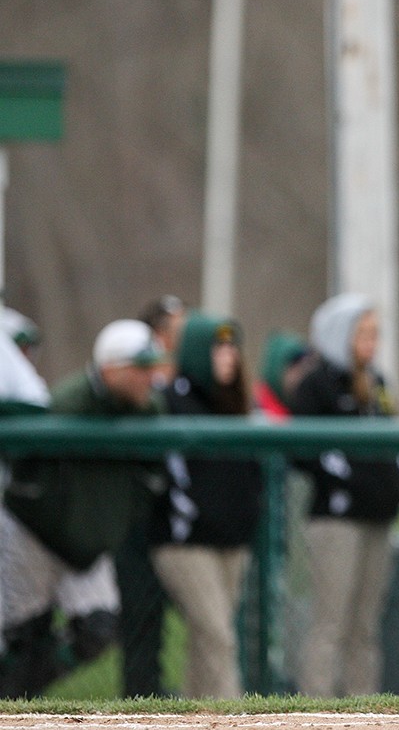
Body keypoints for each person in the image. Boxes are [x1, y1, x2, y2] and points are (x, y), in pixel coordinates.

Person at [0, 319, 166, 697]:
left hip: (87, 547)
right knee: (21, 640)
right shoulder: (68, 404)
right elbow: (26, 482)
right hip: (34, 537)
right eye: (140, 368)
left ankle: (18, 698)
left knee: (99, 630)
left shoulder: (150, 411)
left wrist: (108, 525)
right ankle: (14, 703)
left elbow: (148, 484)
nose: (150, 377)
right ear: (111, 369)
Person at [288, 292, 399, 697]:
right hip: (335, 521)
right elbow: (302, 453)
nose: (371, 343)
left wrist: (398, 483)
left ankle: (364, 706)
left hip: (378, 517)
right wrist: (345, 479)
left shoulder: (377, 383)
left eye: (375, 334)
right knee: (331, 621)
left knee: (365, 624)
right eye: (363, 334)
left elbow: (393, 442)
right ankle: (316, 705)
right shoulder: (315, 385)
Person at [148, 313, 261, 698]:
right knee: (218, 636)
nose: (230, 356)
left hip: (232, 540)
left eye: (232, 348)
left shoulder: (236, 404)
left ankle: (194, 715)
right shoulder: (170, 401)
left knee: (208, 640)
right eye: (219, 348)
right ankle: (236, 718)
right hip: (184, 542)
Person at [113, 294, 188, 698]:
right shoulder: (139, 379)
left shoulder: (184, 380)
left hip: (174, 516)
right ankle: (140, 696)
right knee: (139, 616)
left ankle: (157, 690)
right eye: (177, 330)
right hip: (136, 514)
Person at [253, 330, 311, 420]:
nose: (299, 374)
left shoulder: (306, 407)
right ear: (275, 370)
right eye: (293, 366)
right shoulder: (254, 414)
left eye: (303, 367)